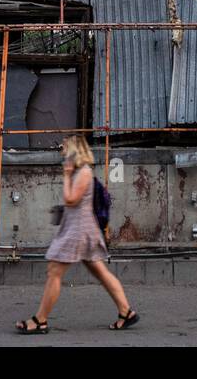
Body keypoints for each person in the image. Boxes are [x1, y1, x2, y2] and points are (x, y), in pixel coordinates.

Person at [16, 135, 138, 334]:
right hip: (80, 229)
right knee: (100, 272)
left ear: (75, 151)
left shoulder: (83, 172)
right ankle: (126, 312)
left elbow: (71, 200)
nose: (63, 153)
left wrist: (66, 175)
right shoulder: (80, 172)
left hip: (79, 231)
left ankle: (40, 320)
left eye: (65, 149)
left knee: (54, 271)